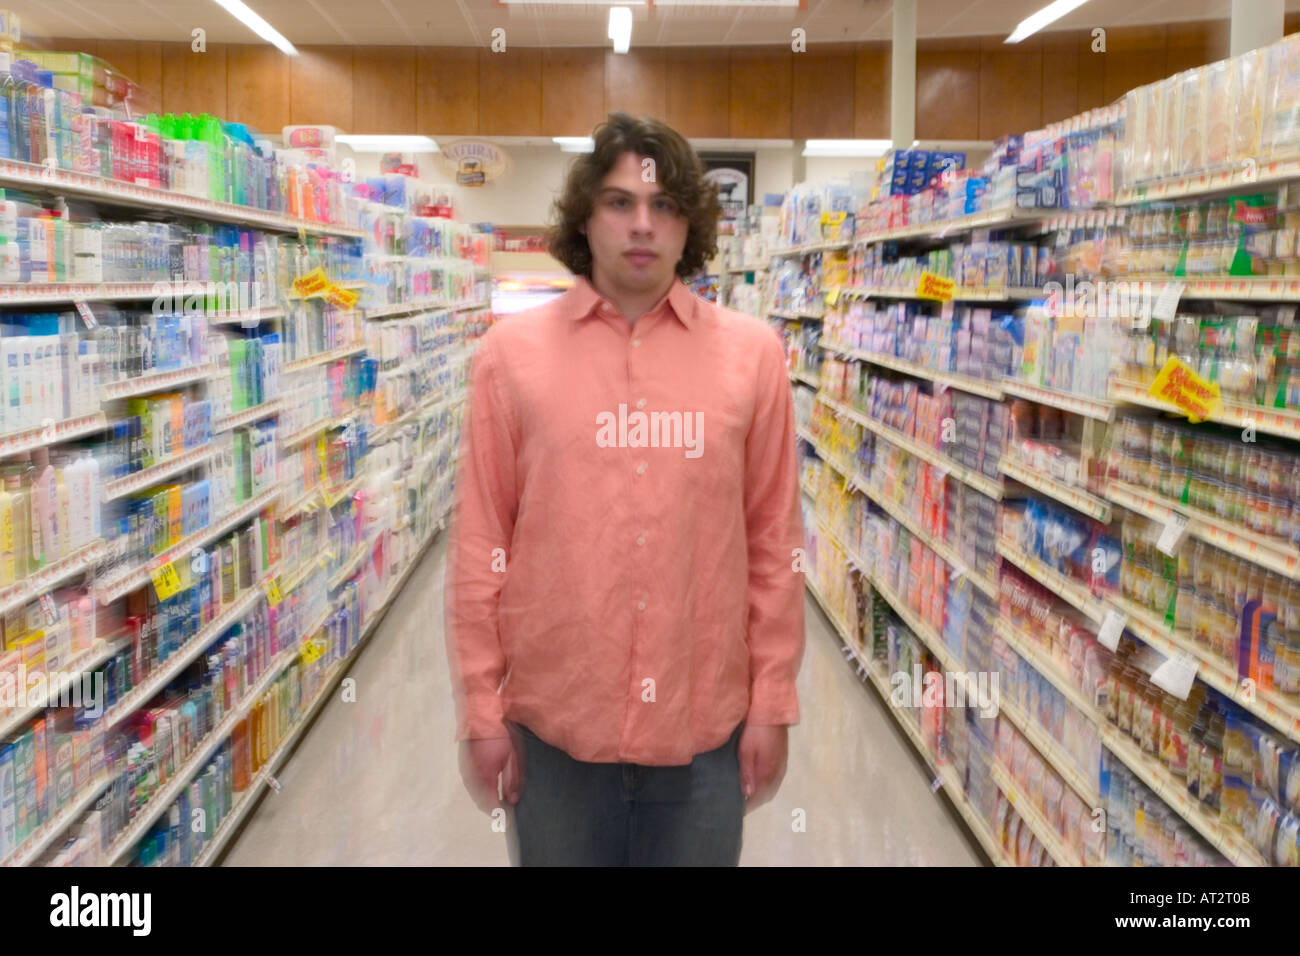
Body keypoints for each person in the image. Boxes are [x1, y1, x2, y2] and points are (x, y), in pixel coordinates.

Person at [445, 111, 805, 866]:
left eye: (665, 204)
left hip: (703, 734)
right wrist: (481, 706)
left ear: (690, 223)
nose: (643, 224)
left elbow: (774, 544)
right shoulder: (510, 358)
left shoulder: (753, 357)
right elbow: (483, 545)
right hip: (556, 738)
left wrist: (773, 701)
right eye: (619, 202)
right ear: (586, 215)